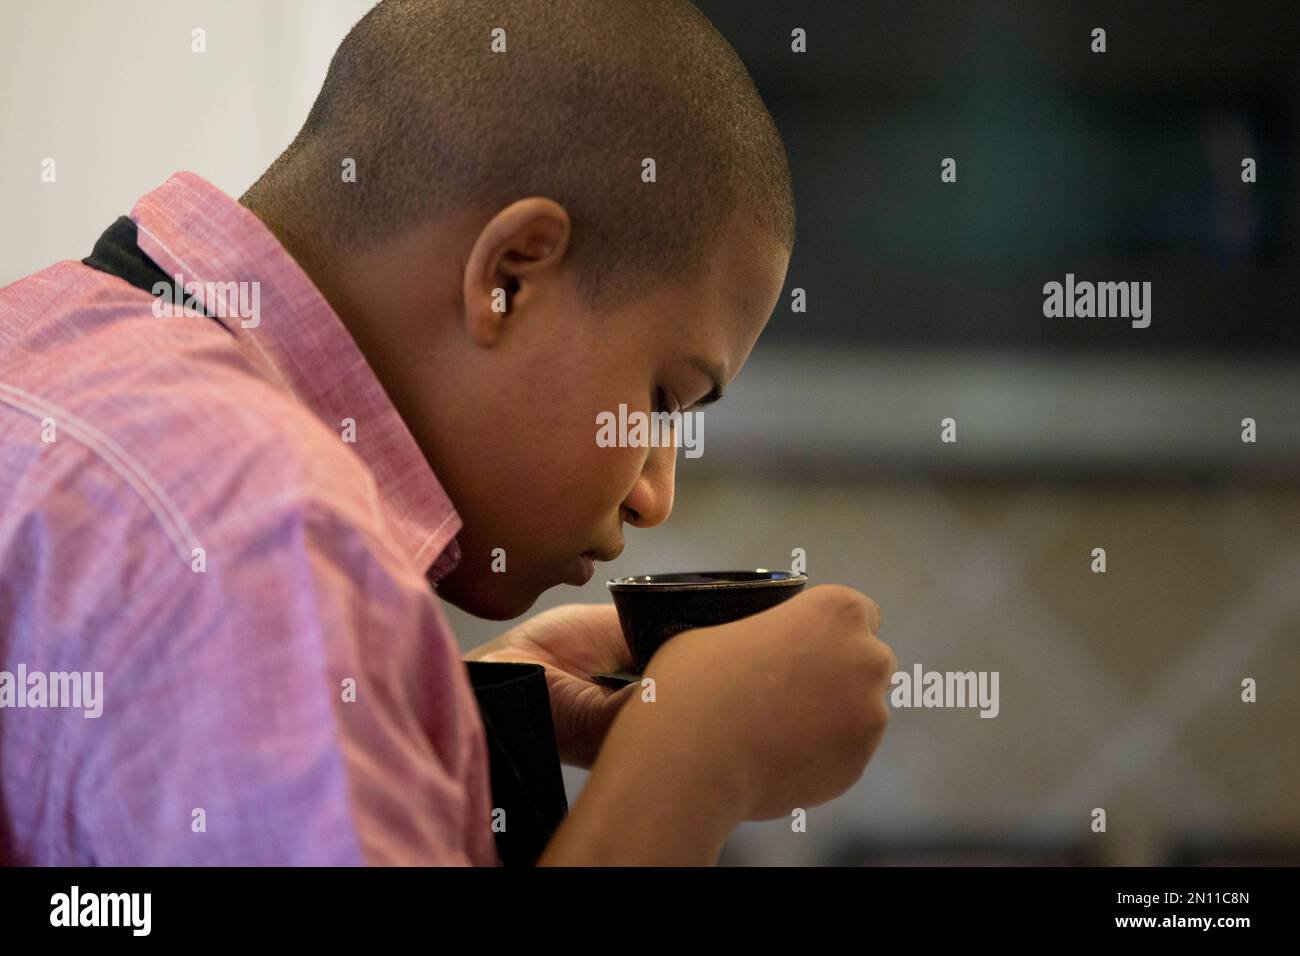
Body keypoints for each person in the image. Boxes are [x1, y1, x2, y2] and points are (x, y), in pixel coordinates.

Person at [0, 0, 895, 866]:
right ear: (510, 276)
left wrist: (428, 703)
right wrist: (696, 763)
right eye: (664, 398)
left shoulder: (53, 337)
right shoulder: (267, 537)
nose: (654, 495)